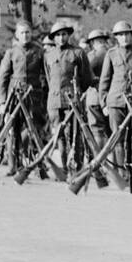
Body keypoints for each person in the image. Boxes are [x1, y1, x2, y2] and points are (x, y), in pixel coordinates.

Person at [100, 20, 132, 182]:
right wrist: (103, 103)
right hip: (115, 101)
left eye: (126, 34)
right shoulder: (111, 54)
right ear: (116, 37)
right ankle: (123, 173)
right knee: (118, 138)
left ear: (131, 34)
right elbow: (104, 80)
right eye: (120, 35)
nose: (124, 37)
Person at [0, 20, 48, 175]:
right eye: (22, 33)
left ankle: (34, 164)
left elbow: (47, 75)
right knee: (12, 130)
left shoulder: (39, 52)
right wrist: (2, 102)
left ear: (31, 33)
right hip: (14, 97)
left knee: (33, 130)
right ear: (17, 35)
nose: (25, 35)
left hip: (33, 97)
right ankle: (13, 165)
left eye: (27, 32)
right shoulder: (11, 53)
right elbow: (3, 79)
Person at [44, 21, 93, 171]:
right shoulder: (48, 55)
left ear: (68, 35)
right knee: (59, 134)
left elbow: (86, 78)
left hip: (71, 99)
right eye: (58, 35)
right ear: (53, 38)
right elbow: (49, 77)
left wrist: (79, 92)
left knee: (73, 133)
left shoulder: (78, 53)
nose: (61, 38)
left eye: (64, 34)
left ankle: (76, 166)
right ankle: (64, 167)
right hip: (53, 99)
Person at [82, 29, 112, 160]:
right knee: (113, 132)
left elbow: (84, 76)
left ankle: (98, 163)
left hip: (94, 96)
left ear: (93, 42)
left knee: (97, 131)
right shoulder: (113, 52)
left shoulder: (91, 56)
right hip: (111, 97)